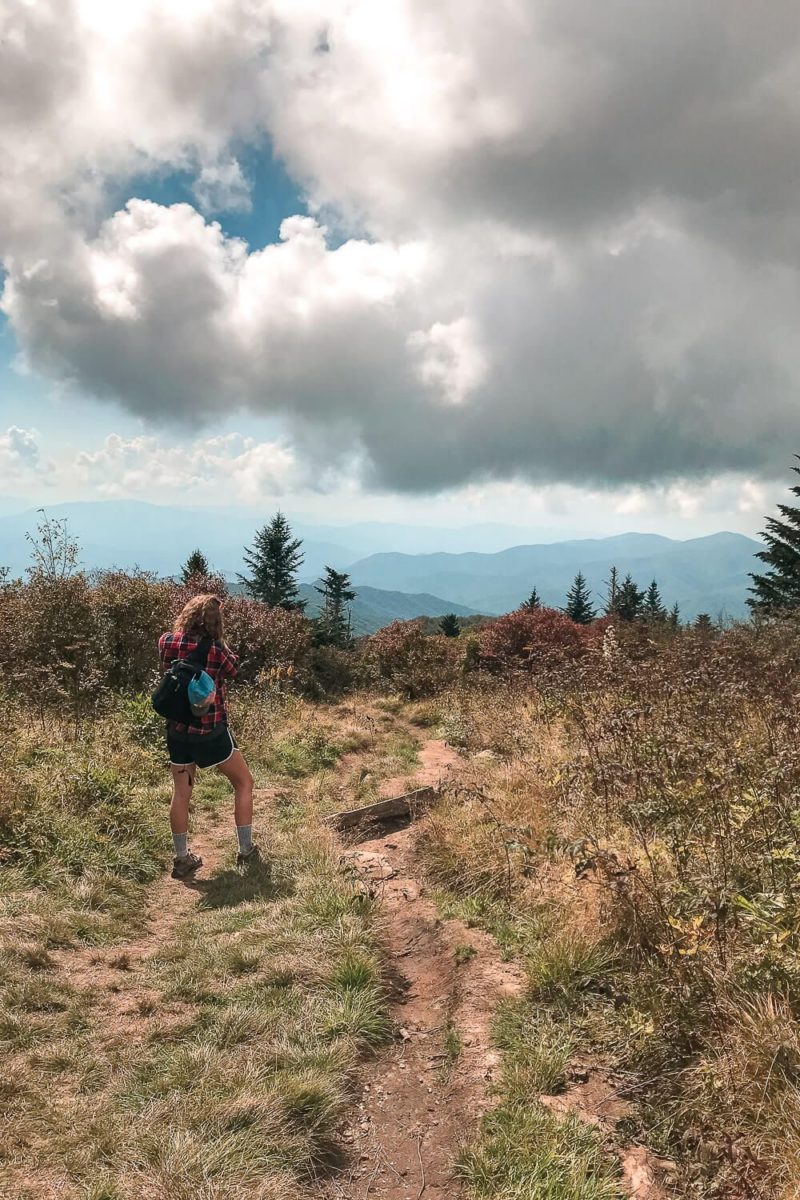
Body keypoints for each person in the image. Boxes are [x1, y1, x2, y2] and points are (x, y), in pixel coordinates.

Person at [158, 593, 258, 879]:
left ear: (187, 614)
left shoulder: (167, 642)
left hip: (177, 732)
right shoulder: (216, 650)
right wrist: (219, 643)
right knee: (243, 783)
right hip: (210, 731)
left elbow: (166, 659)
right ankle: (246, 849)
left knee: (181, 793)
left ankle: (181, 858)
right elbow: (234, 670)